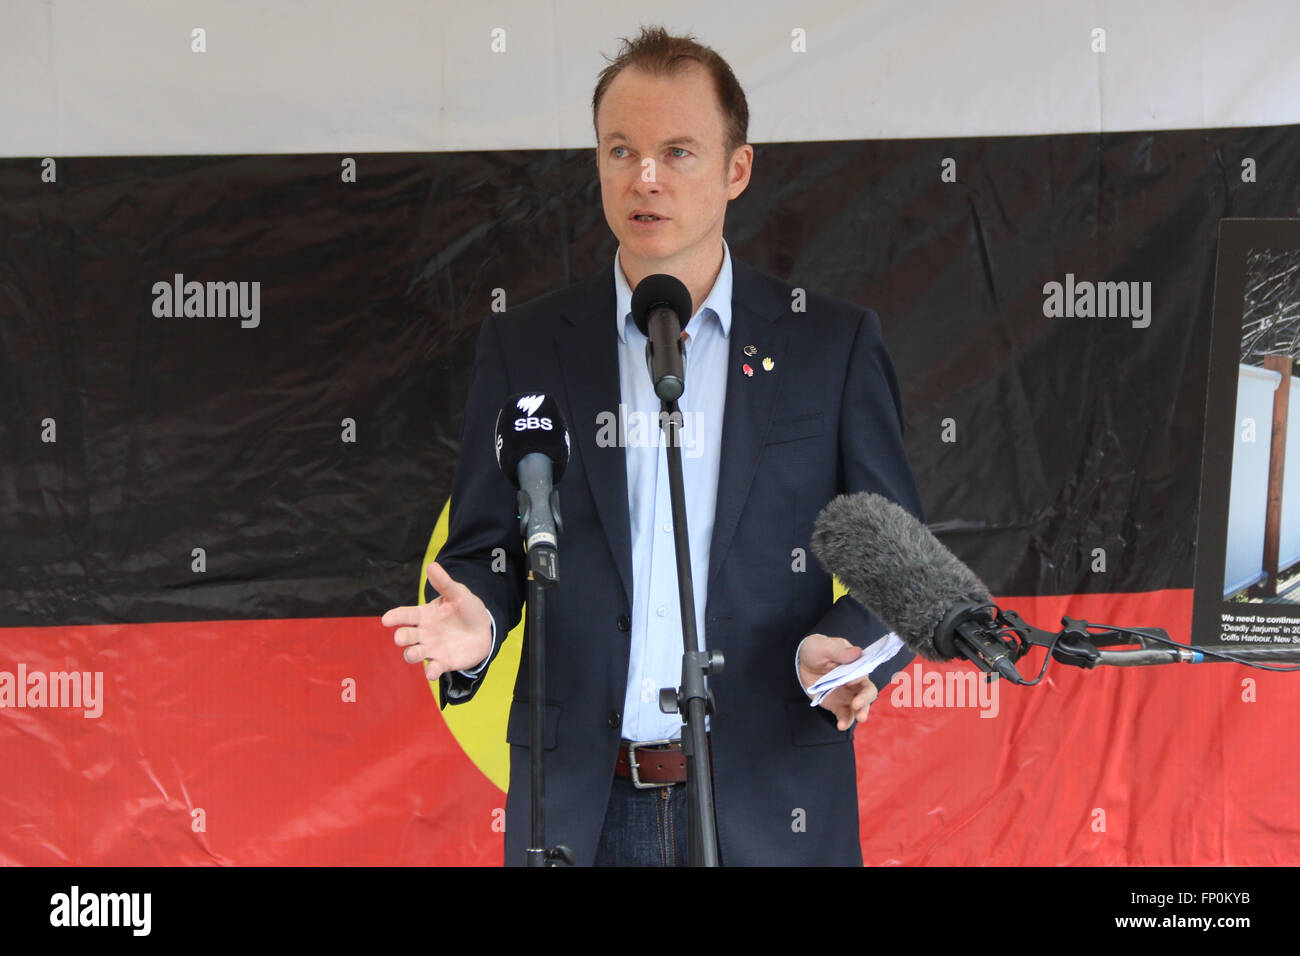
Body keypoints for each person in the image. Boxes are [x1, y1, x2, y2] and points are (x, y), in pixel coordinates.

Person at [380, 26, 924, 866]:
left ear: (736, 169)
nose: (645, 178)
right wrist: (481, 618)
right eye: (621, 150)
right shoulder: (527, 346)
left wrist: (841, 651)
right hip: (583, 814)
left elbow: (900, 563)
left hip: (771, 798)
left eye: (677, 152)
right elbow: (489, 545)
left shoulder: (830, 345)